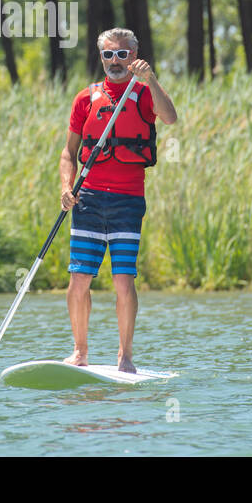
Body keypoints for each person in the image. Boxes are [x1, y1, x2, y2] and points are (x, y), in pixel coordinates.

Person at [58, 28, 177, 373]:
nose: (115, 61)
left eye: (123, 54)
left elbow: (169, 117)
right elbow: (68, 153)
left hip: (127, 200)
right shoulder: (86, 98)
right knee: (79, 277)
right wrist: (66, 186)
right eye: (109, 54)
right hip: (88, 200)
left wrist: (151, 79)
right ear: (101, 57)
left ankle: (125, 356)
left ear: (134, 55)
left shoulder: (142, 94)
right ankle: (80, 352)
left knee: (123, 278)